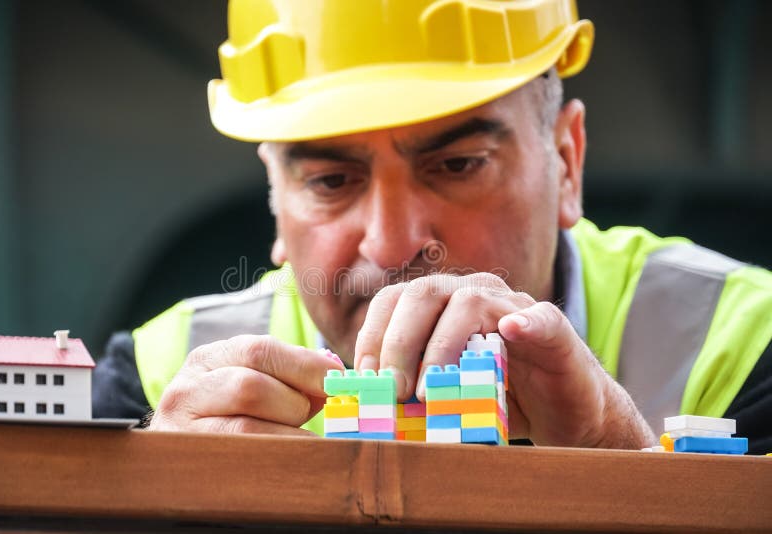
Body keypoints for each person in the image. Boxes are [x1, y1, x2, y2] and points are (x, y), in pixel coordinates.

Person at [93, 0, 772, 453]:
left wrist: (614, 461)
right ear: (276, 199)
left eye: (457, 164)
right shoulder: (156, 381)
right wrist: (159, 491)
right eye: (332, 181)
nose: (390, 244)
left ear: (567, 164)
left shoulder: (738, 343)